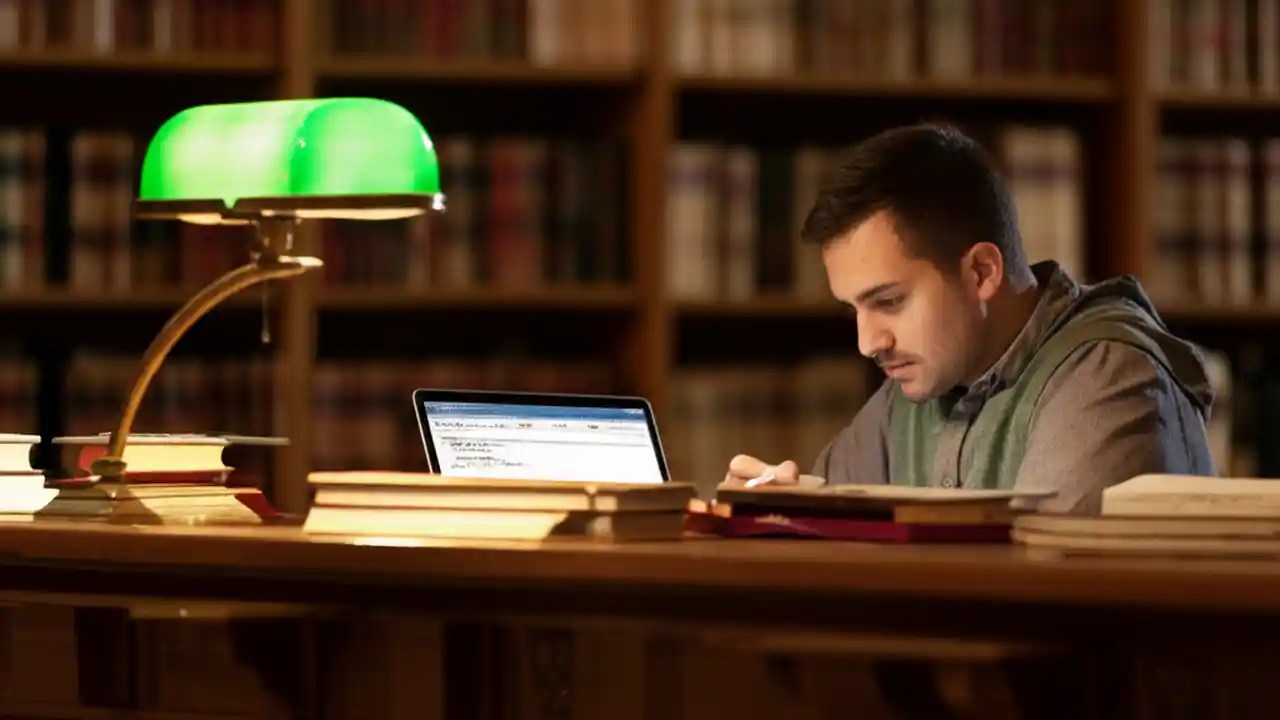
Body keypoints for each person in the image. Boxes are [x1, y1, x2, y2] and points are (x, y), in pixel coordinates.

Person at [722, 123, 1217, 514]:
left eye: (889, 302)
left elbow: (1044, 601)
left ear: (981, 272)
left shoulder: (1108, 375)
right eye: (853, 309)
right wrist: (783, 516)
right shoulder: (915, 387)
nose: (868, 342)